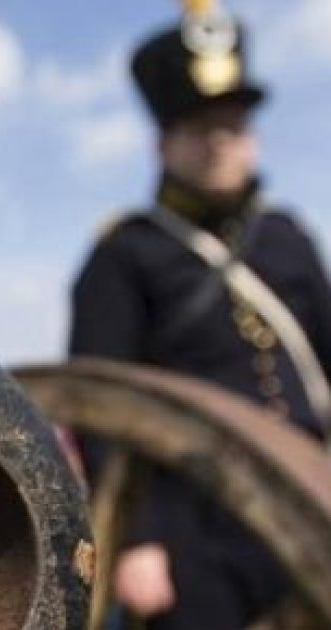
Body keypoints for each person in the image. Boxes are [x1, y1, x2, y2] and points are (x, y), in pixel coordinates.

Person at [68, 3, 331, 628]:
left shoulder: (286, 236)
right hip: (190, 525)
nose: (219, 141)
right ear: (164, 141)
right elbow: (101, 408)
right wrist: (136, 541)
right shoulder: (125, 253)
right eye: (199, 126)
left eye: (232, 124)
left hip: (304, 500)